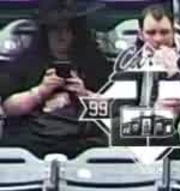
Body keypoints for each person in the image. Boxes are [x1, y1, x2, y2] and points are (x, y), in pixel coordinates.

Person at [0, 0, 112, 158]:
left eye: (66, 30)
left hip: (83, 144)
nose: (61, 37)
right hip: (31, 144)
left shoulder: (95, 63)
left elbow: (112, 111)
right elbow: (8, 108)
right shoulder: (25, 62)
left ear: (75, 33)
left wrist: (84, 94)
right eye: (55, 30)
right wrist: (40, 92)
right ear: (45, 33)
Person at [112, 3, 180, 95]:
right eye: (151, 33)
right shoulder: (129, 60)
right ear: (140, 35)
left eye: (164, 32)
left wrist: (175, 73)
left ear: (173, 31)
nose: (158, 39)